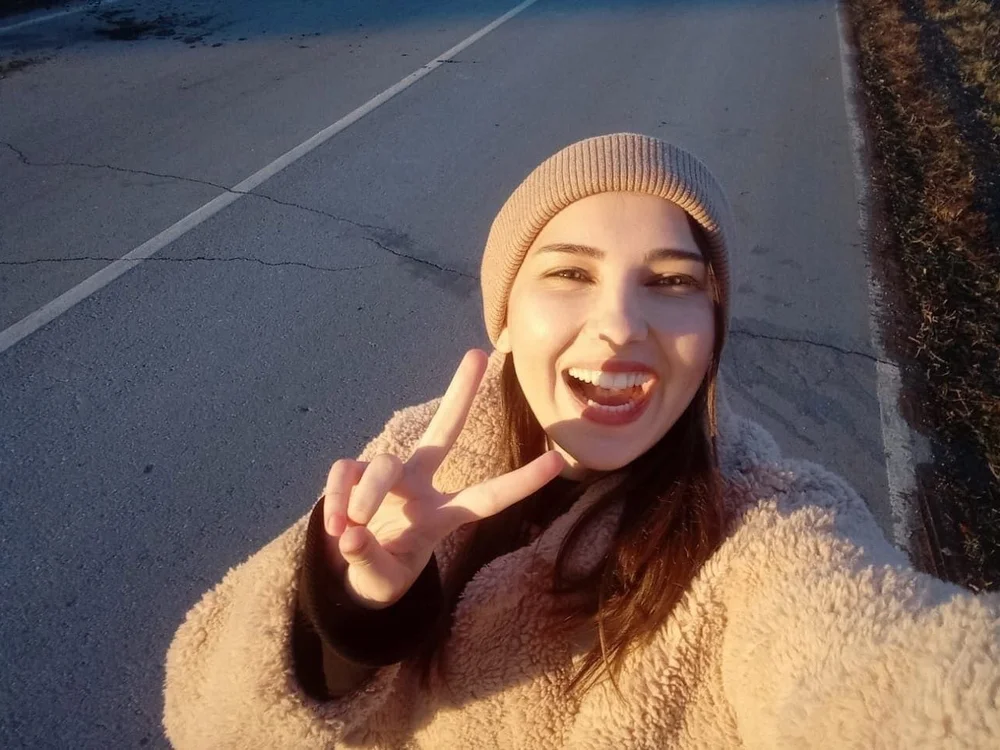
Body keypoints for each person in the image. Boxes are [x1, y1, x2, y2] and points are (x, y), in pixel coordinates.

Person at [162, 133, 1000, 748]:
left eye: (671, 281)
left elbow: (879, 668)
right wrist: (353, 612)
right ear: (506, 317)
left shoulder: (768, 523)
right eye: (570, 272)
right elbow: (214, 719)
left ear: (712, 327)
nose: (620, 325)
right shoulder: (415, 456)